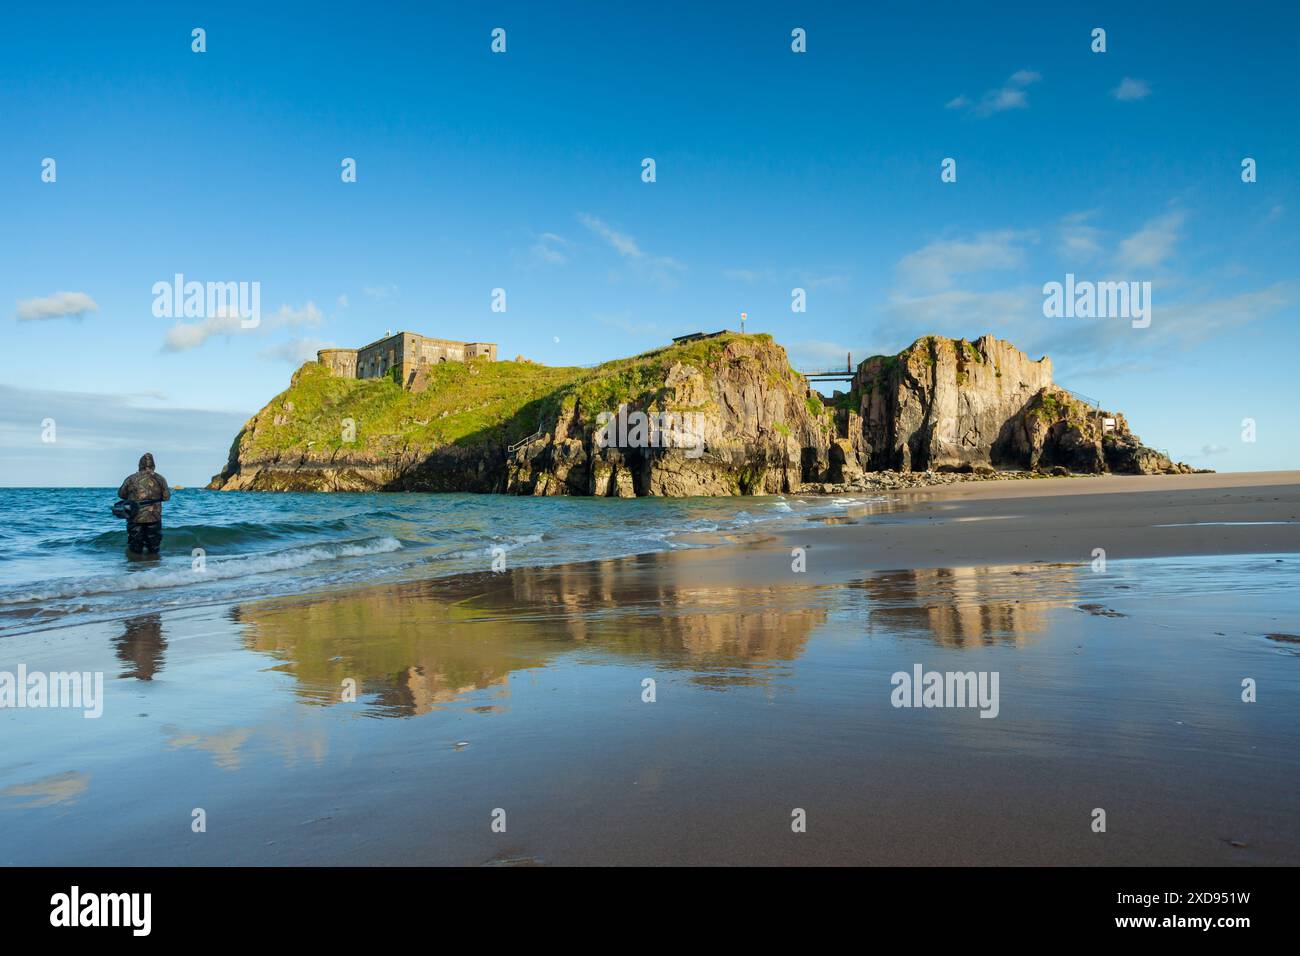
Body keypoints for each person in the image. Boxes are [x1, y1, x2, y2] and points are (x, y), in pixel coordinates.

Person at [117, 452, 171, 555]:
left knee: (135, 547)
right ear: (153, 466)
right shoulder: (160, 479)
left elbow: (121, 494)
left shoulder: (131, 478)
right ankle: (154, 566)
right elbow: (166, 497)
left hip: (135, 517)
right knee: (154, 547)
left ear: (140, 465)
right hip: (154, 517)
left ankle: (135, 567)